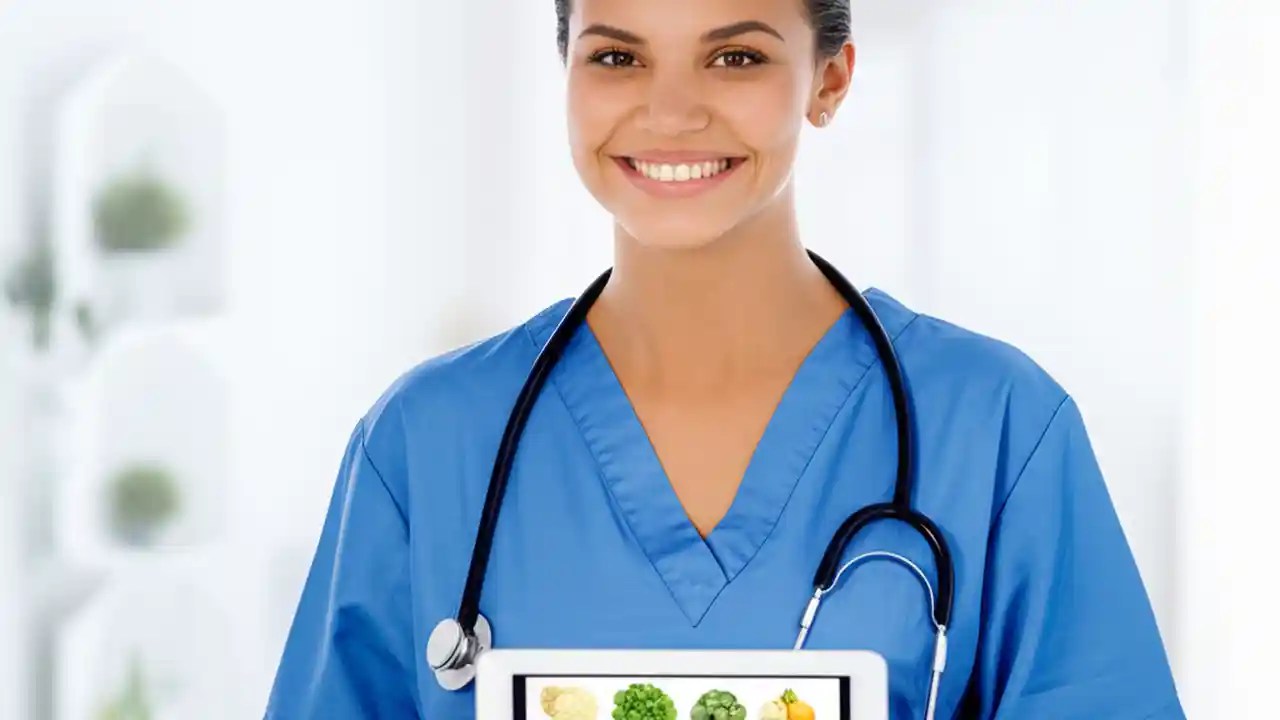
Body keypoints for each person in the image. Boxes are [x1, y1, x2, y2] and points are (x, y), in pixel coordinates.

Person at [264, 0, 1184, 717]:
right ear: (567, 74)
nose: (670, 112)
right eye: (617, 56)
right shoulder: (427, 445)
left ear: (829, 80)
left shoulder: (996, 428)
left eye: (735, 55)